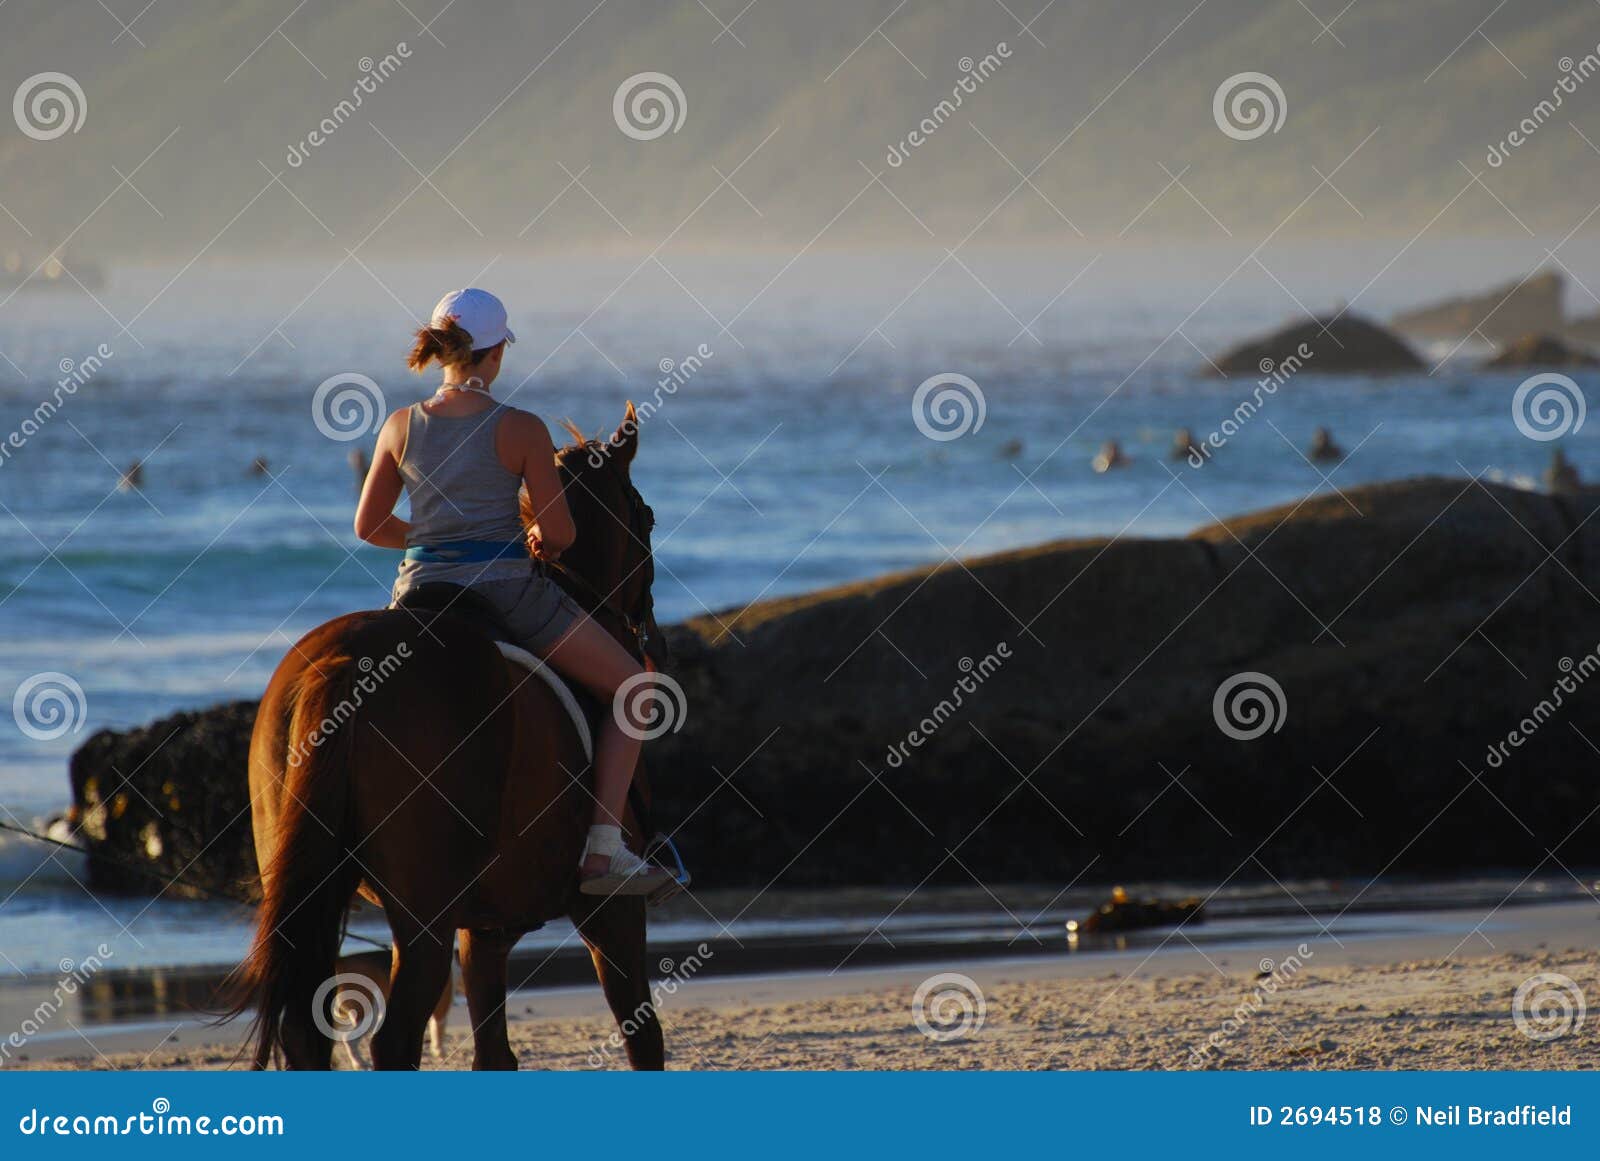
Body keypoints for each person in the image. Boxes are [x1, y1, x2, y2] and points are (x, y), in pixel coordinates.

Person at [353, 288, 671, 896]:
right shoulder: (521, 429)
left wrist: (434, 537)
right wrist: (527, 541)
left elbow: (368, 527)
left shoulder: (399, 425)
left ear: (441, 352)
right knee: (636, 688)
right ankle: (604, 853)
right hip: (504, 592)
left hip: (417, 595)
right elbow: (559, 535)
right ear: (495, 355)